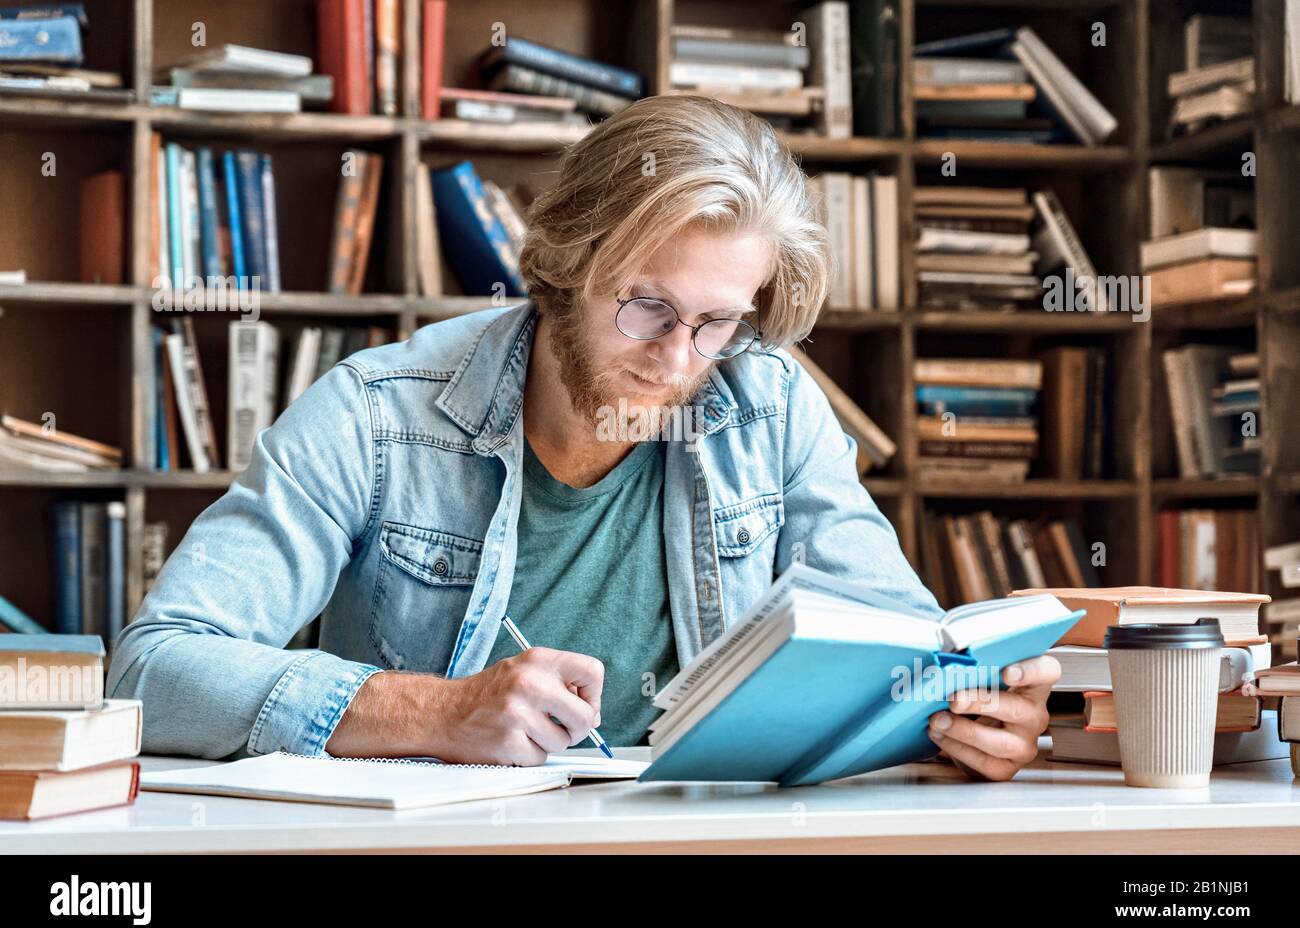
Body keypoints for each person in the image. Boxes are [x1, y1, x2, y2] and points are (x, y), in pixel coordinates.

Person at [109, 94, 1059, 781]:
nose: (681, 361)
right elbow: (156, 666)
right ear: (565, 264)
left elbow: (900, 644)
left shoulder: (770, 405)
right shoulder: (377, 413)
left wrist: (968, 717)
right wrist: (437, 712)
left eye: (719, 321)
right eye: (647, 307)